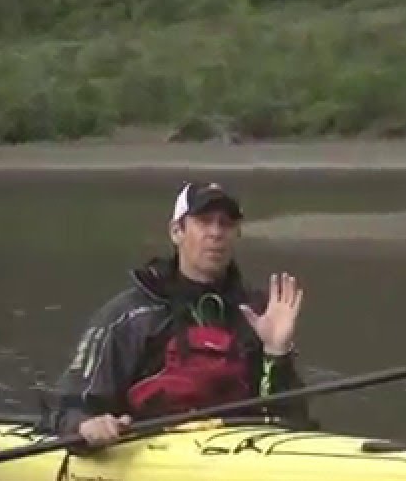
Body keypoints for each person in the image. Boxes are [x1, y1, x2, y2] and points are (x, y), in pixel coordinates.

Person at [45, 180, 310, 447]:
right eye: (204, 221)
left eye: (226, 224)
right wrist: (86, 425)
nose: (216, 233)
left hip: (236, 455)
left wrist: (278, 353)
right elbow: (65, 407)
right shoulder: (130, 316)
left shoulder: (255, 314)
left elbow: (290, 420)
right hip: (150, 456)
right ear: (176, 231)